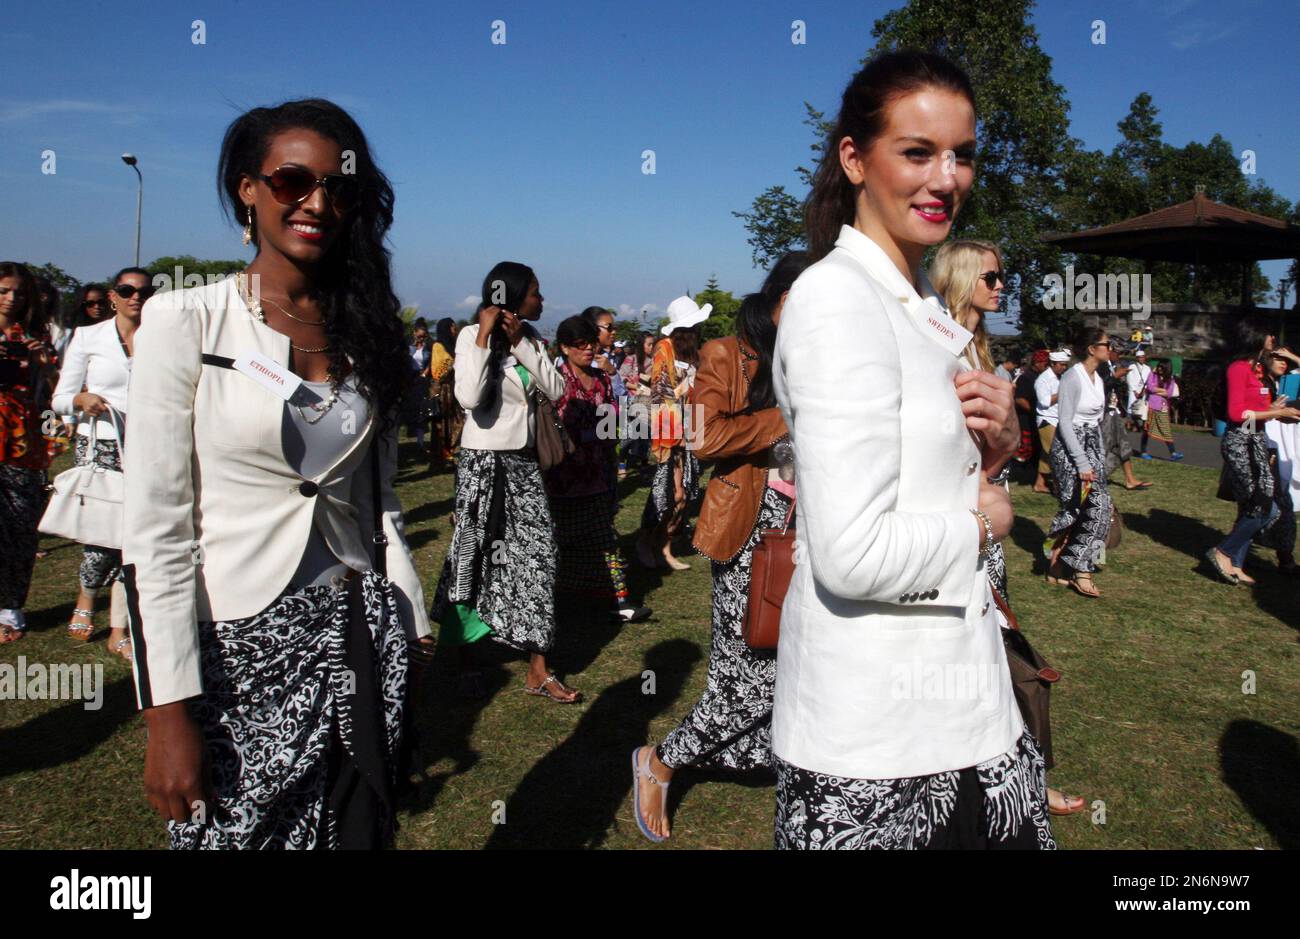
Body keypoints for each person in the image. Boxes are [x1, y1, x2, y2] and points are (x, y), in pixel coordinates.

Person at [123, 98, 432, 849]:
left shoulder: (365, 330)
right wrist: (168, 713)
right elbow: (155, 529)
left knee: (351, 830)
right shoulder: (185, 320)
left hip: (358, 633)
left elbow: (378, 500)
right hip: (235, 647)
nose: (317, 202)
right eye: (293, 180)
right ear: (248, 188)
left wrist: (413, 617)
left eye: (339, 186)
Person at [770, 50, 1051, 850]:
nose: (946, 178)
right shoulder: (837, 298)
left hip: (959, 711)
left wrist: (992, 453)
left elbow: (924, 480)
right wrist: (983, 520)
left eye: (961, 154)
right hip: (877, 740)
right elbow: (852, 553)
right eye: (918, 152)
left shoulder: (919, 297)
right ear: (855, 159)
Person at [631, 251, 809, 842]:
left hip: (808, 526)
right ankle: (660, 762)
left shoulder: (812, 352)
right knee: (756, 672)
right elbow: (703, 437)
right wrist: (782, 418)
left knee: (774, 663)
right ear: (785, 300)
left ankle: (767, 760)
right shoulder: (727, 354)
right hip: (753, 528)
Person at [430, 262, 579, 703]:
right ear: (512, 295)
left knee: (539, 554)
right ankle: (464, 656)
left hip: (524, 461)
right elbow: (470, 398)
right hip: (483, 461)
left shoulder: (531, 340)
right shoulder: (468, 337)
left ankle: (538, 669)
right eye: (535, 292)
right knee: (472, 552)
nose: (542, 299)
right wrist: (482, 337)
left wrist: (521, 344)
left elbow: (556, 389)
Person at [50, 266, 151, 661]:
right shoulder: (88, 337)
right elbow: (60, 397)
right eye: (126, 290)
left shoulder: (161, 338)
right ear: (113, 296)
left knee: (135, 540)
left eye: (144, 291)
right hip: (101, 447)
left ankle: (119, 628)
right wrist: (79, 402)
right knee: (102, 540)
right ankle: (86, 599)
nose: (135, 297)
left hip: (148, 447)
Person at [544, 314, 650, 624]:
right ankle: (564, 597)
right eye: (580, 344)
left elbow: (610, 424)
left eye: (591, 343)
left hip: (598, 473)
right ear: (564, 348)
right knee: (566, 540)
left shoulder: (602, 379)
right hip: (564, 476)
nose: (589, 349)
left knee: (605, 538)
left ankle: (620, 599)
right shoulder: (557, 382)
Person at [1206, 322, 1300, 586]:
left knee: (1259, 505)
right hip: (1241, 443)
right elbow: (1237, 415)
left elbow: (1252, 414)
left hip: (1256, 440)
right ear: (1257, 337)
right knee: (1261, 507)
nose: (1273, 339)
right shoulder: (1239, 369)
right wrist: (1275, 412)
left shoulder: (1257, 371)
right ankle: (1224, 551)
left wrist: (1274, 409)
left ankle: (1235, 562)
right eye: (1270, 334)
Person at [0, 262, 58, 642]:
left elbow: (55, 388)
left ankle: (9, 607)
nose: (11, 298)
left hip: (22, 441)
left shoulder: (35, 335)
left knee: (20, 528)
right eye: (4, 290)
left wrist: (41, 364)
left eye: (19, 292)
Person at [636, 297, 708, 572]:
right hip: (670, 430)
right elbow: (661, 393)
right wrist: (674, 431)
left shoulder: (690, 353)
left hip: (690, 426)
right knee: (669, 491)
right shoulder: (664, 349)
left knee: (685, 492)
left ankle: (663, 546)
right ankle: (647, 542)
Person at [1045, 328, 1115, 599]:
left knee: (1101, 507)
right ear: (1091, 348)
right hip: (1070, 449)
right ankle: (1061, 565)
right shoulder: (1073, 377)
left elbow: (1096, 422)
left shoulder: (1098, 378)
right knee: (1074, 508)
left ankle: (1079, 568)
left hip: (1091, 447)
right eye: (1106, 344)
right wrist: (1081, 462)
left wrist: (1099, 455)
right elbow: (1064, 423)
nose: (1110, 348)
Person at [1255, 349, 1300, 573]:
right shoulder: (1260, 383)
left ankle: (1285, 558)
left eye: (1286, 361)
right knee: (1261, 505)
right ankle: (1233, 551)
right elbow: (1247, 415)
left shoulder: (1283, 385)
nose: (1283, 364)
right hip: (1264, 448)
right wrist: (1275, 412)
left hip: (1281, 449)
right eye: (1278, 359)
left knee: (1282, 506)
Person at [1097, 354, 1151, 490]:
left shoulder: (1111, 365)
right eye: (1116, 351)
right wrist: (1114, 377)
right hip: (1104, 413)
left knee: (1123, 444)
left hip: (1113, 411)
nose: (1119, 355)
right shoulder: (1101, 366)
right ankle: (1096, 478)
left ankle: (1130, 479)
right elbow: (1099, 387)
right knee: (1106, 446)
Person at [1034, 350, 1070, 493]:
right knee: (1055, 454)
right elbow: (1044, 402)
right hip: (1047, 420)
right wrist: (1063, 392)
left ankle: (1039, 483)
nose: (1064, 368)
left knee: (1047, 454)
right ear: (1053, 363)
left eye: (1065, 365)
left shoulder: (1059, 378)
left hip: (1057, 419)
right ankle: (1058, 486)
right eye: (1061, 365)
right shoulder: (1043, 380)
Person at [1015, 350, 1048, 485]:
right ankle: (1024, 476)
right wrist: (1034, 411)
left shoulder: (1042, 377)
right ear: (1037, 363)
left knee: (1036, 448)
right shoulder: (1026, 378)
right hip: (1026, 419)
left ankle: (1033, 476)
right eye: (1045, 364)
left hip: (1036, 419)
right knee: (1027, 449)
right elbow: (1020, 399)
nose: (1047, 367)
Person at [428, 317, 458, 465]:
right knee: (443, 422)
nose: (455, 330)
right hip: (443, 391)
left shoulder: (453, 345)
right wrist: (454, 362)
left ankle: (449, 450)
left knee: (454, 421)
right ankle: (444, 453)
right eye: (453, 327)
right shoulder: (438, 346)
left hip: (453, 388)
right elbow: (437, 371)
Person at [1141, 361, 1183, 460]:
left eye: (1162, 367)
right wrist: (1161, 390)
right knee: (1147, 430)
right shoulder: (1153, 375)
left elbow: (1169, 393)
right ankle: (1143, 452)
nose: (1159, 369)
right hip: (1151, 406)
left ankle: (1173, 453)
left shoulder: (1170, 379)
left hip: (1163, 408)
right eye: (1159, 367)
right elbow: (1150, 387)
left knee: (1166, 430)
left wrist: (1156, 391)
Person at [405, 318, 433, 455]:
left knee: (422, 411)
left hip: (422, 379)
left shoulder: (428, 347)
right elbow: (405, 360)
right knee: (411, 409)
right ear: (414, 333)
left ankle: (421, 443)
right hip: (410, 380)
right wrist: (413, 347)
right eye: (419, 335)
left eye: (423, 336)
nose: (421, 338)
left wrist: (425, 373)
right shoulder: (408, 346)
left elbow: (430, 362)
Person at [1126, 348, 1152, 435]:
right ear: (1137, 358)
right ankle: (1129, 424)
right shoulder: (1132, 367)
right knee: (1131, 407)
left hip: (1143, 390)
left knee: (1141, 408)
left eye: (1143, 357)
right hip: (1134, 390)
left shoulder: (1148, 368)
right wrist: (1134, 390)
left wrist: (1145, 389)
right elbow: (1129, 379)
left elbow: (1149, 380)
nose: (1141, 359)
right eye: (1139, 357)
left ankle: (1139, 425)